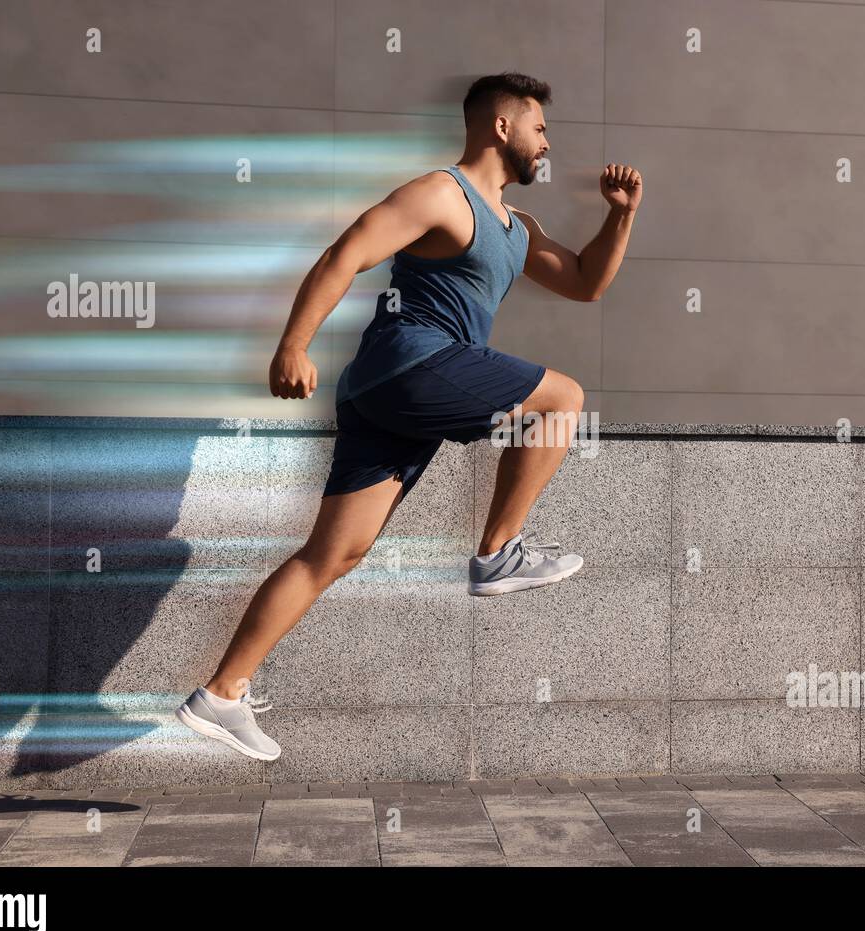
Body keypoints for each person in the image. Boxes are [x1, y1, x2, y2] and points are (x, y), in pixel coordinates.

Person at [176, 71, 642, 760]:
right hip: (411, 363)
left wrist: (622, 212)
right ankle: (496, 554)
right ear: (502, 128)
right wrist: (293, 345)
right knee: (562, 399)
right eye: (539, 128)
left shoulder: (518, 227)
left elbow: (584, 283)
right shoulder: (441, 194)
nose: (548, 143)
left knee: (335, 553)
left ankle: (221, 692)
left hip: (392, 397)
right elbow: (348, 252)